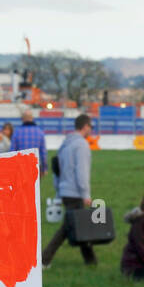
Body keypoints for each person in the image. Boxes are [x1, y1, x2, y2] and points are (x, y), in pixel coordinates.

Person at [41, 113, 96, 268]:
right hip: (75, 192)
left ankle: (91, 262)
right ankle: (44, 259)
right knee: (68, 228)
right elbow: (82, 172)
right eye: (91, 126)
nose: (91, 130)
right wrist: (85, 194)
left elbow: (56, 170)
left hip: (65, 190)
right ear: (85, 126)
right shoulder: (81, 145)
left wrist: (59, 191)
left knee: (78, 226)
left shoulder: (65, 145)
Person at [10, 109, 47, 177]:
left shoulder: (17, 132)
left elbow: (12, 151)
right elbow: (43, 153)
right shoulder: (40, 132)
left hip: (21, 167)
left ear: (22, 119)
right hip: (35, 166)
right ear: (32, 118)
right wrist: (44, 168)